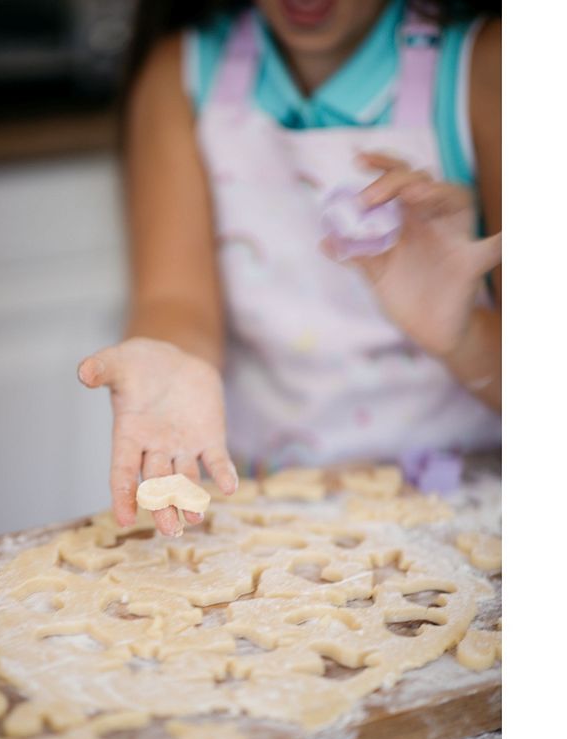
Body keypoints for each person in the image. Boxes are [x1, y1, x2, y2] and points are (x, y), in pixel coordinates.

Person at [77, 0, 502, 537]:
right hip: (266, 507)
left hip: (467, 507)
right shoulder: (178, 76)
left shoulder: (489, 68)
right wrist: (168, 360)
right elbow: (175, 302)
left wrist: (461, 336)